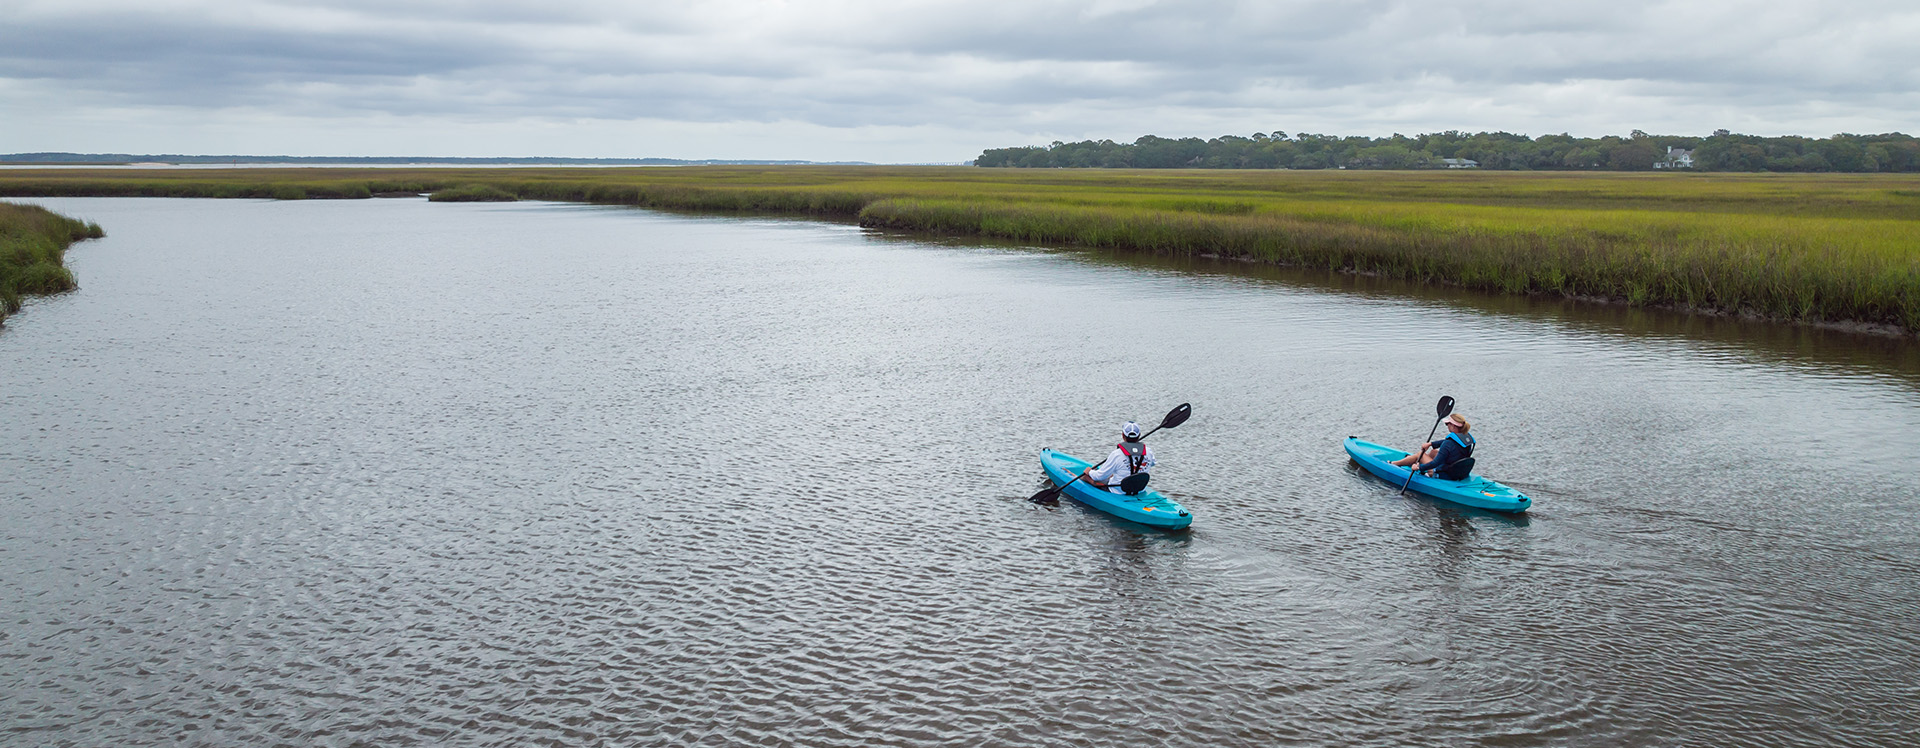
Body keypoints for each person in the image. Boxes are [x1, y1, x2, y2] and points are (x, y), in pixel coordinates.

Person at [1390, 413, 1475, 480]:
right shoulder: (1466, 440)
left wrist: (1419, 468)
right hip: (1455, 472)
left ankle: (1394, 464)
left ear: (1453, 426)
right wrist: (1431, 444)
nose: (1447, 426)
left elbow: (1435, 463)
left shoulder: (1448, 444)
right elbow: (1450, 443)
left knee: (1420, 454)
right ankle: (1416, 463)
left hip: (1442, 474)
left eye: (1447, 424)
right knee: (1434, 452)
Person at [1082, 421, 1156, 493]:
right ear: (1139, 435)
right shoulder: (1148, 451)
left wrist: (1090, 472)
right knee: (1112, 474)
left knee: (1087, 477)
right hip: (1140, 490)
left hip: (1117, 491)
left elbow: (1099, 476)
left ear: (1123, 435)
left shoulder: (1117, 454)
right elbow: (1152, 463)